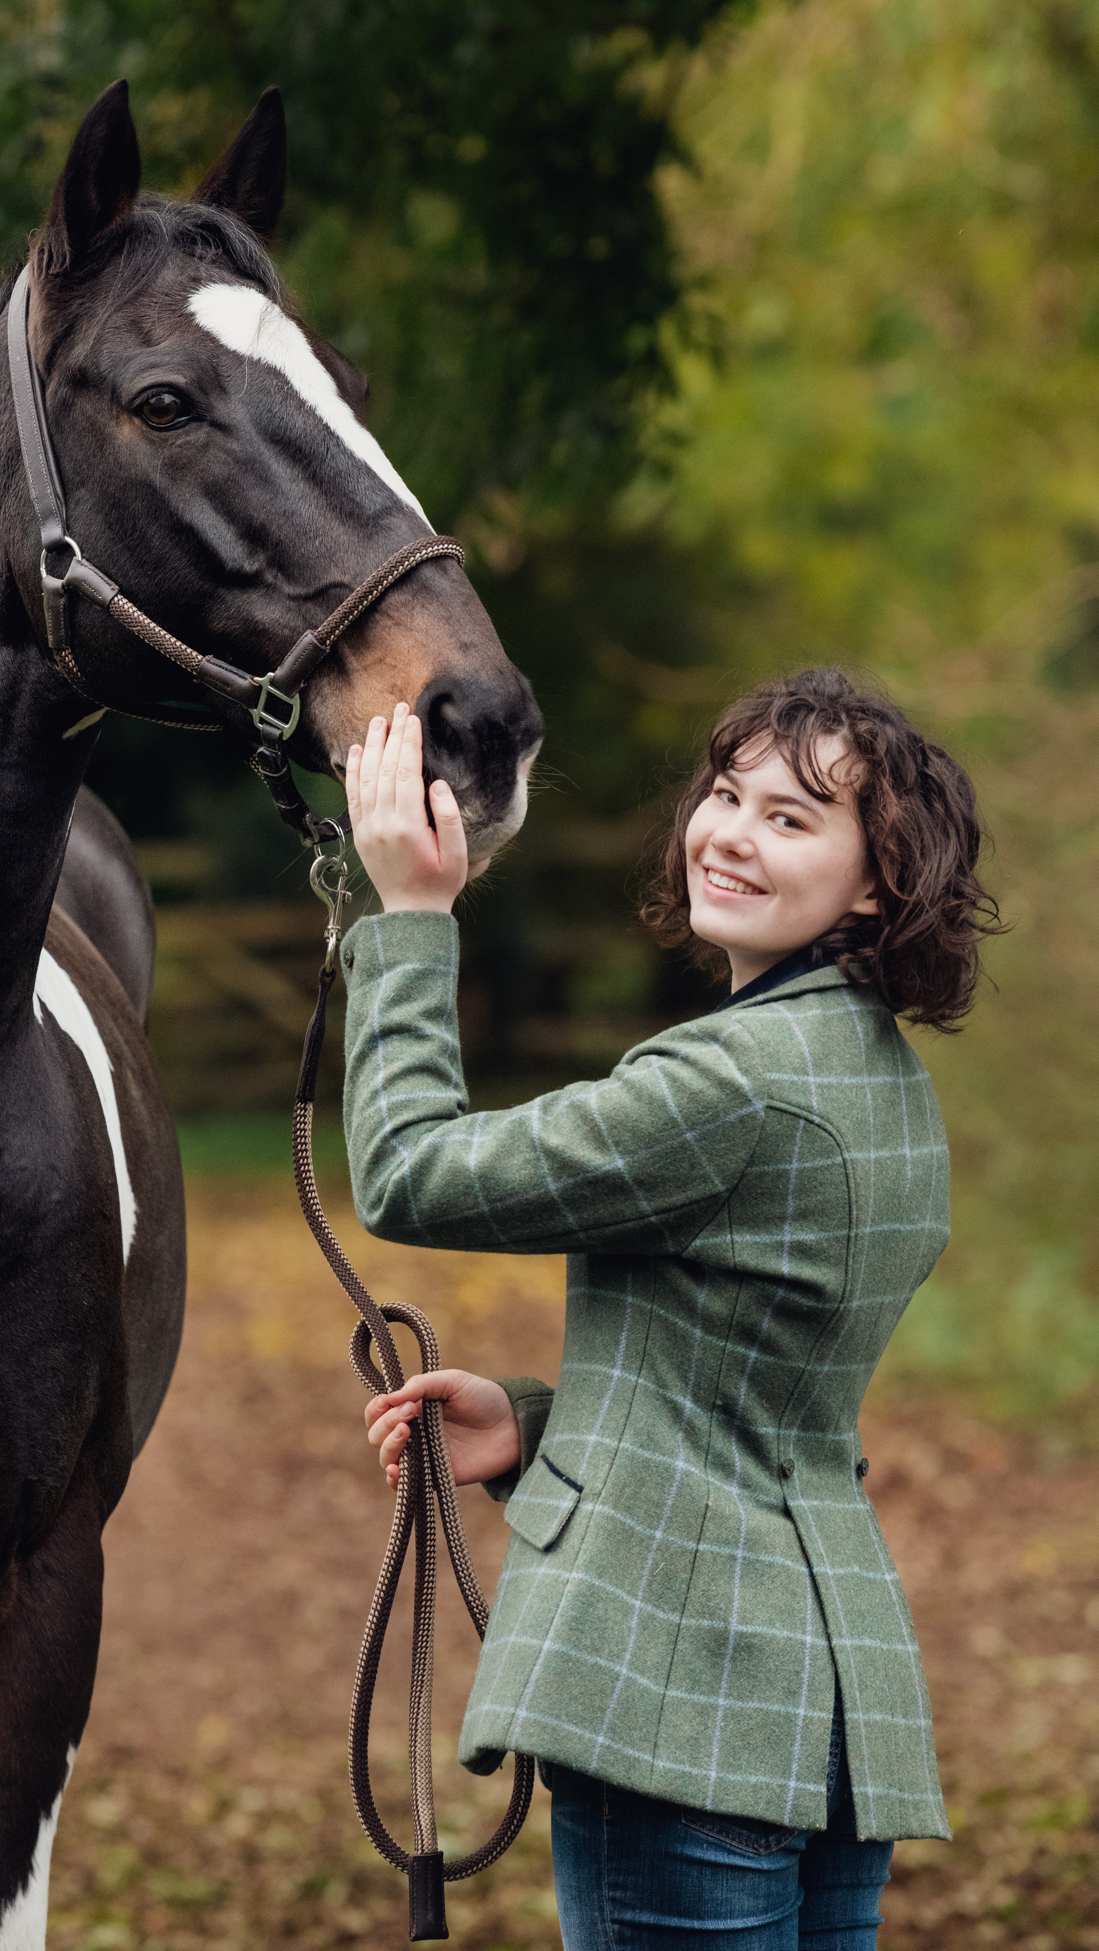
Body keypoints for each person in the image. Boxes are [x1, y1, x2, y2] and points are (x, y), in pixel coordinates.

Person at [339, 667, 996, 1950]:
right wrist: (537, 1424)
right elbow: (761, 1385)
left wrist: (412, 912)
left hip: (679, 1700)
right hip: (825, 1705)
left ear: (877, 881)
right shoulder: (888, 1084)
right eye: (727, 794)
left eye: (794, 818)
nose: (731, 832)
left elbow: (410, 1170)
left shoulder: (731, 1082)